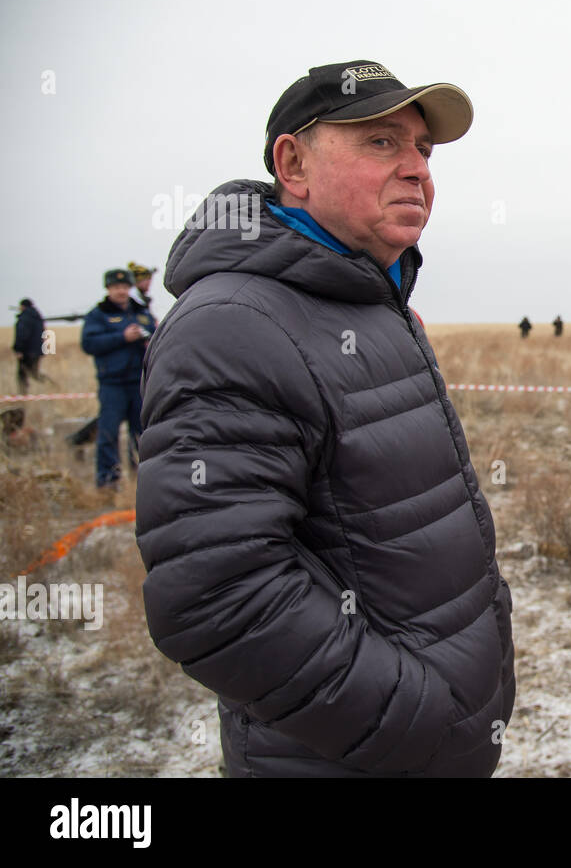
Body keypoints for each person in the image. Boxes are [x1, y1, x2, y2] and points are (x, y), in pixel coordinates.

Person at [134, 60, 515, 777]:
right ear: (293, 162)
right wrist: (419, 720)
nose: (417, 170)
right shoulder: (232, 326)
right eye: (381, 142)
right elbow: (216, 597)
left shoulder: (371, 301)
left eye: (424, 150)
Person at [80, 269, 155, 488]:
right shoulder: (98, 314)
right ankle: (108, 481)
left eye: (124, 287)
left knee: (142, 434)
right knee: (108, 432)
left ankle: (144, 480)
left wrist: (148, 339)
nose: (121, 291)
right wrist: (122, 337)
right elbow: (89, 343)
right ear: (108, 289)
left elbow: (153, 332)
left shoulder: (141, 311)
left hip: (138, 382)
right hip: (112, 383)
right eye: (116, 287)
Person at [12, 298, 47, 395]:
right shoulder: (37, 317)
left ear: (22, 306)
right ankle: (50, 386)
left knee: (23, 375)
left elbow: (22, 335)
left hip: (26, 351)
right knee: (34, 373)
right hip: (37, 351)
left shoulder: (24, 318)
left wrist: (19, 350)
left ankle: (22, 395)